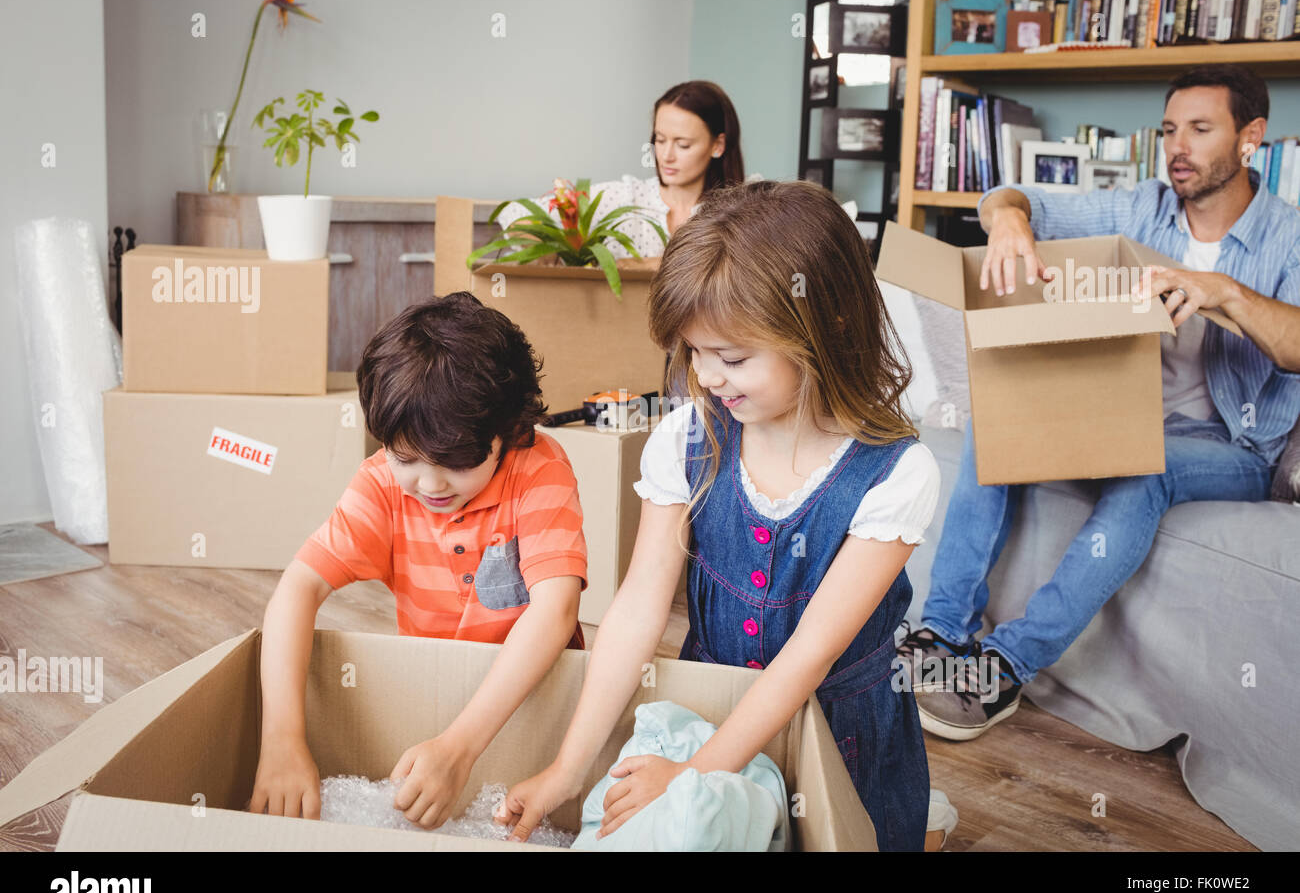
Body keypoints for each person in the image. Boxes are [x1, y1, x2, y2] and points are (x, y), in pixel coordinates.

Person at [496, 180, 942, 851]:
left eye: (732, 358)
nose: (706, 378)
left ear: (829, 328)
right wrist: (565, 771)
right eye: (694, 353)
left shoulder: (896, 474)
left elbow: (806, 661)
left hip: (840, 733)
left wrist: (691, 778)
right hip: (710, 708)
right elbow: (640, 607)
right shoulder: (686, 440)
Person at [901, 64, 1300, 741]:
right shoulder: (1141, 206)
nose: (1179, 146)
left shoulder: (1288, 236)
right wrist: (1008, 227)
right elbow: (1008, 194)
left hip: (1231, 448)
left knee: (1148, 470)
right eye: (1171, 129)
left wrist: (1224, 291)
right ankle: (941, 633)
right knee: (997, 417)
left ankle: (1006, 666)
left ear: (1250, 138)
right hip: (1121, 412)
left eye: (1201, 130)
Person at [248, 293, 589, 827]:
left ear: (510, 431)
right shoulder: (383, 486)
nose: (429, 485)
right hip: (433, 688)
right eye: (405, 457)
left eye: (455, 462)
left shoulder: (537, 468)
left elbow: (555, 610)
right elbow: (298, 589)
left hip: (538, 700)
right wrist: (283, 739)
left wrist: (458, 749)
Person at [496, 80, 746, 259]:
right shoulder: (626, 198)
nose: (666, 156)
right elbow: (514, 213)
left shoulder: (745, 209)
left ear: (718, 145)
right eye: (659, 140)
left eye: (683, 144)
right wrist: (550, 256)